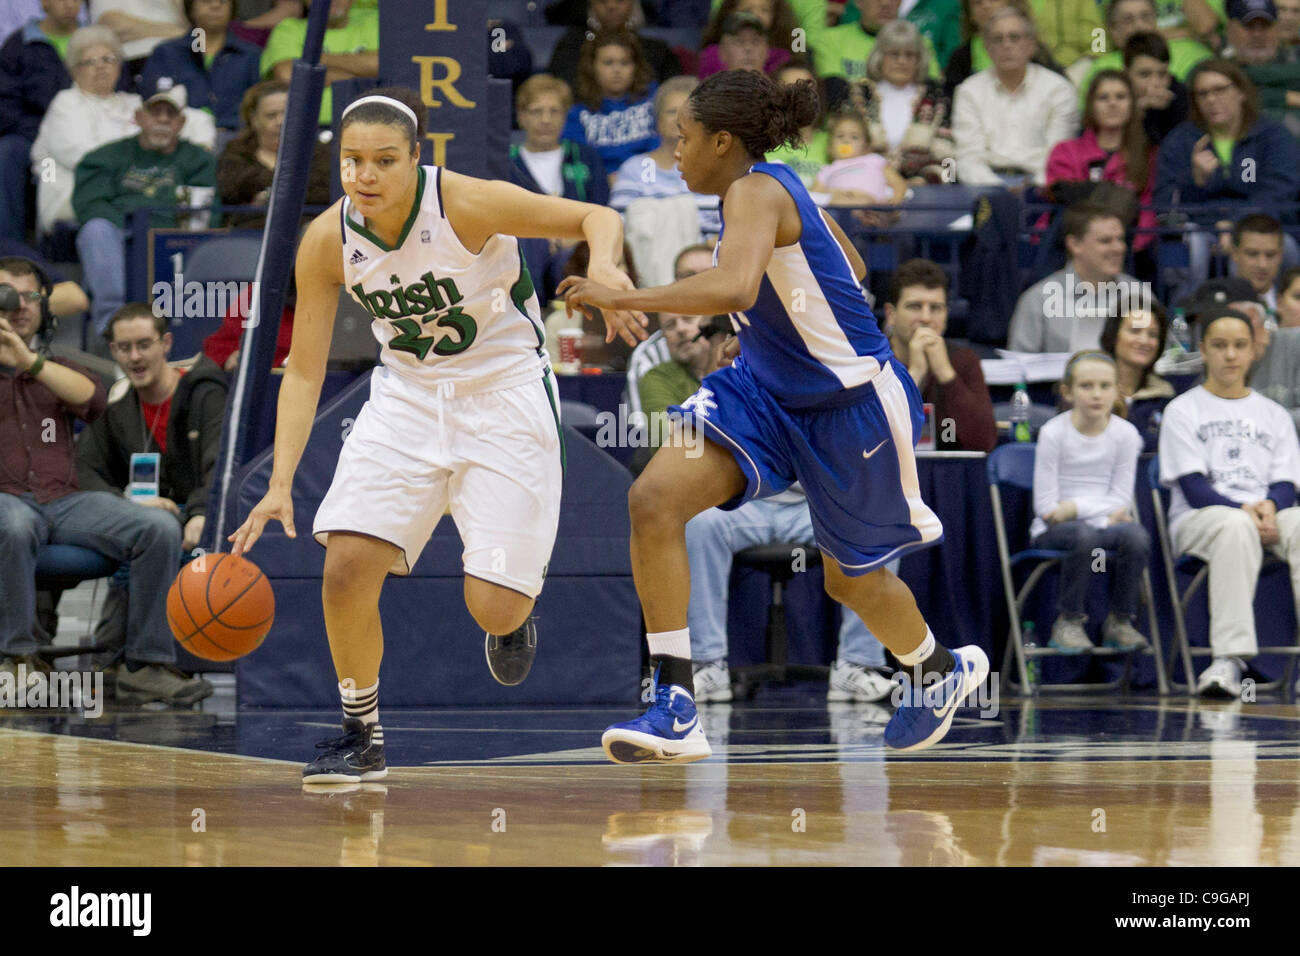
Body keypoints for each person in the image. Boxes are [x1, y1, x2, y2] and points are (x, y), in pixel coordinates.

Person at [559, 69, 989, 761]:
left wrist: (629, 296)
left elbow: (735, 284)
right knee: (654, 499)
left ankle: (937, 670)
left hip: (849, 406)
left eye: (684, 138)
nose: (675, 153)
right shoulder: (766, 189)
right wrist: (772, 328)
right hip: (763, 390)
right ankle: (676, 701)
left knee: (850, 580)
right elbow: (845, 263)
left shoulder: (757, 189)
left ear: (722, 141)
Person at [228, 86, 641, 784]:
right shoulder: (327, 239)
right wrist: (279, 482)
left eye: (384, 160)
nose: (365, 175)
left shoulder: (465, 202)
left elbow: (596, 215)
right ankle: (361, 734)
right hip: (407, 397)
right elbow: (303, 369)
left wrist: (602, 263)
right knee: (346, 566)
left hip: (504, 392)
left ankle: (514, 618)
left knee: (494, 606)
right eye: (352, 160)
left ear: (416, 157)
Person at [0, 256, 212, 704]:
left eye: (30, 296)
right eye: (7, 295)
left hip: (63, 502)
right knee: (15, 524)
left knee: (158, 527)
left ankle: (144, 665)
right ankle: (16, 659)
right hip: (7, 501)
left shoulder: (57, 366)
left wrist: (27, 361)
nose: (19, 305)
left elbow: (94, 399)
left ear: (44, 305)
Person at [1158, 304, 1300, 697]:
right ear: (1203, 350)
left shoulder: (1274, 414)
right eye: (1220, 345)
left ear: (1254, 350)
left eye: (1240, 345)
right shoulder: (1181, 410)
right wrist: (1247, 511)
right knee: (1235, 526)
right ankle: (1229, 661)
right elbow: (1193, 488)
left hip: (1265, 514)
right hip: (1201, 519)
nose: (1231, 355)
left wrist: (1270, 507)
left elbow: (1286, 483)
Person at [74, 303, 228, 664]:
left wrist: (200, 512)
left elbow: (218, 465)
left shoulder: (204, 393)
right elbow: (85, 471)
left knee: (155, 537)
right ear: (113, 351)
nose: (135, 357)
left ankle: (123, 655)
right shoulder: (116, 407)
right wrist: (125, 505)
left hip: (200, 512)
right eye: (124, 348)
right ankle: (125, 659)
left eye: (144, 344)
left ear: (166, 343)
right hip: (144, 518)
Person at [29, 26, 213, 239]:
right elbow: (84, 157)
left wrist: (201, 146)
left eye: (108, 59)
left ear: (119, 66)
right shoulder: (66, 103)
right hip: (79, 199)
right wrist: (145, 161)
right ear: (74, 70)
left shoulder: (133, 103)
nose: (100, 67)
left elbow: (197, 119)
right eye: (89, 62)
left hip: (136, 196)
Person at [72, 84, 217, 336]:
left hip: (175, 239)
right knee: (95, 230)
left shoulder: (199, 160)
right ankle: (113, 328)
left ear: (181, 123)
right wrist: (134, 231)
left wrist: (159, 234)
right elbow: (90, 204)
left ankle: (187, 333)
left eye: (170, 114)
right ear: (138, 117)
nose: (163, 120)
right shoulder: (105, 156)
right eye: (155, 112)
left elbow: (205, 213)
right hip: (122, 236)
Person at [1031, 351, 1151, 652]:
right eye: (1086, 386)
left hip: (1099, 524)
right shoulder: (1052, 433)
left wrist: (1073, 508)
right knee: (1084, 536)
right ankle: (1068, 622)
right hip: (1054, 531)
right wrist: (1101, 516)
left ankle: (1120, 621)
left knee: (1136, 536)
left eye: (1105, 386)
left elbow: (1121, 499)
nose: (1096, 394)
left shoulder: (1126, 434)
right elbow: (1046, 508)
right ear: (1067, 392)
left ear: (1117, 390)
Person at [1153, 59, 1300, 302]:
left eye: (1220, 90)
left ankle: (1263, 316)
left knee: (1266, 248)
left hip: (1260, 228)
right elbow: (1165, 204)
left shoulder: (1273, 136)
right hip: (1199, 230)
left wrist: (1236, 225)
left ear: (1241, 92)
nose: (1211, 99)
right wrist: (1194, 181)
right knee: (1189, 247)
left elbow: (1279, 193)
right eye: (1203, 94)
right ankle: (1182, 319)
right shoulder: (1180, 140)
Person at [951, 6, 1080, 188]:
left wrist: (1032, 190)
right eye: (998, 39)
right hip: (985, 186)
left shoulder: (1058, 89)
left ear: (1031, 45)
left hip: (1043, 186)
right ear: (987, 47)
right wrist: (1000, 190)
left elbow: (1058, 156)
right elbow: (969, 158)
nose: (1007, 45)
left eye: (1014, 37)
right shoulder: (969, 91)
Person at [882, 258, 998, 452]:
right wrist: (915, 374)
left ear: (946, 314)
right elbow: (873, 439)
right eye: (915, 306)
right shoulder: (872, 362)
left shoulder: (963, 361)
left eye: (935, 308)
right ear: (891, 314)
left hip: (948, 468)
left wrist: (946, 374)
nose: (926, 318)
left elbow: (984, 443)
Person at [1047, 71, 1158, 253]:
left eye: (1120, 97)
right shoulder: (1065, 151)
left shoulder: (1149, 155)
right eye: (1103, 98)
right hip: (1071, 247)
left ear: (1132, 104)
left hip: (1127, 246)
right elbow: (1064, 198)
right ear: (1091, 105)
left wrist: (1134, 246)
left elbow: (1148, 209)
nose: (1112, 103)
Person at [1008, 202, 1141, 353]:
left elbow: (1160, 358)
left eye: (1121, 239)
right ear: (1074, 244)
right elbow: (1019, 362)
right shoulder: (1038, 300)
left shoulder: (1140, 295)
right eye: (1105, 241)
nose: (1119, 248)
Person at [0, 0, 82, 242]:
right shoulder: (21, 44)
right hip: (34, 139)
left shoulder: (94, 41)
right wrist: (43, 135)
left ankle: (56, 246)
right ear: (44, 2)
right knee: (9, 155)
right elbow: (5, 102)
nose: (70, 5)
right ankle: (10, 248)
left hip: (85, 135)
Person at [846, 19, 955, 185]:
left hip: (925, 188)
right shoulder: (858, 94)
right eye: (894, 54)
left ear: (919, 59)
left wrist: (930, 181)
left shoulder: (937, 96)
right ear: (879, 57)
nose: (902, 61)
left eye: (909, 55)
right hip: (863, 185)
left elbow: (948, 154)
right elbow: (844, 146)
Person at [610, 75, 722, 237]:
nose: (678, 119)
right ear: (657, 120)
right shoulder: (634, 169)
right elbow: (618, 226)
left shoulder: (717, 168)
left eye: (686, 112)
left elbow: (726, 226)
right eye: (671, 111)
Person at [217, 79, 332, 229]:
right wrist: (294, 191)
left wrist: (267, 195)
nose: (280, 121)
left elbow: (326, 191)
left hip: (309, 231)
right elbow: (230, 190)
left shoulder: (321, 153)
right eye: (271, 116)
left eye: (287, 114)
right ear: (254, 119)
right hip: (249, 232)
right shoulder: (235, 154)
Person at [140, 0, 262, 136]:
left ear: (232, 8)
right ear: (190, 8)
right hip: (180, 137)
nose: (215, 5)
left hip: (235, 139)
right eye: (206, 1)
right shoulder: (166, 53)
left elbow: (258, 106)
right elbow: (151, 101)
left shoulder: (251, 55)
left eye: (223, 1)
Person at [261, 0, 378, 127]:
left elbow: (381, 65)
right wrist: (365, 78)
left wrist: (316, 58)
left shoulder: (373, 20)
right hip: (306, 129)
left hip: (370, 126)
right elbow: (289, 75)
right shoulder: (289, 28)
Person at [562, 27, 661, 173]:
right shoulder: (577, 115)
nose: (617, 70)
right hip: (601, 183)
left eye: (624, 63)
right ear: (592, 67)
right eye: (608, 63)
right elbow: (579, 161)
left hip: (650, 179)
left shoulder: (655, 101)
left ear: (635, 66)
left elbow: (664, 148)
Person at [943, 0, 1064, 100]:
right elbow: (952, 102)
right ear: (970, 14)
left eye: (993, 0)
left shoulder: (1034, 50)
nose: (986, 5)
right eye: (977, 2)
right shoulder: (960, 57)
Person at [547, 0, 681, 90]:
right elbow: (560, 94)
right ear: (591, 3)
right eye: (603, 1)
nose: (611, 6)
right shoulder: (569, 48)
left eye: (620, 0)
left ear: (633, 3)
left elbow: (672, 96)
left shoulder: (658, 51)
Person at [1100, 302, 1173, 451]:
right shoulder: (1090, 390)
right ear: (1114, 335)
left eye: (1153, 334)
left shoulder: (1166, 397)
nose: (1144, 341)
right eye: (1135, 331)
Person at [1223, 0, 1300, 134]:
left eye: (1265, 26)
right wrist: (1286, 96)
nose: (1257, 34)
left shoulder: (1296, 56)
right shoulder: (1218, 71)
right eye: (1249, 26)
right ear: (1230, 31)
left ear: (1277, 29)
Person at [813, 106, 909, 206]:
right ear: (830, 147)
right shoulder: (827, 169)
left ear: (866, 147)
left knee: (865, 200)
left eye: (854, 137)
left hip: (872, 205)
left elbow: (898, 183)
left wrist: (895, 201)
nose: (846, 141)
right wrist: (834, 193)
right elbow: (816, 196)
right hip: (839, 207)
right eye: (840, 136)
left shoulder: (874, 160)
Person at [763, 62, 831, 187]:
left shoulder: (835, 140)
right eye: (791, 90)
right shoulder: (764, 144)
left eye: (807, 89)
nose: (801, 97)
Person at [696, 0, 796, 78]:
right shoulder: (710, 57)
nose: (757, 15)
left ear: (766, 51)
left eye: (755, 42)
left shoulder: (783, 61)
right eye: (739, 42)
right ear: (722, 52)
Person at [1124, 30, 1191, 145]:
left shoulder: (1181, 97)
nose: (1155, 83)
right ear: (1126, 74)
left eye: (1162, 74)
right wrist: (1137, 113)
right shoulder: (1113, 96)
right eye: (1145, 74)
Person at [1227, 213, 1287, 313]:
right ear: (1235, 254)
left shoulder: (1294, 307)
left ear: (1281, 255)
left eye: (1270, 255)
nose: (1262, 265)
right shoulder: (1217, 303)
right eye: (1252, 254)